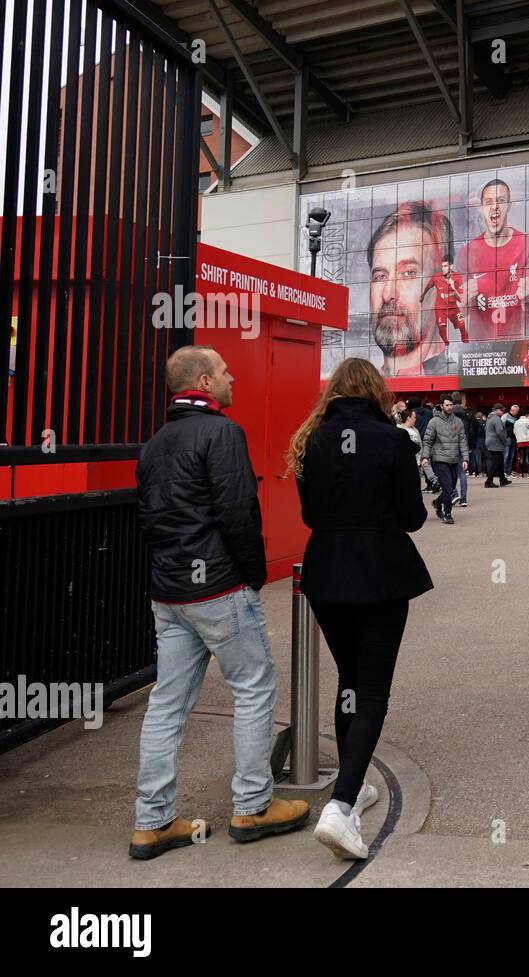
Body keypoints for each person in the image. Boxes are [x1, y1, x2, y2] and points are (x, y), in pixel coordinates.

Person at [131, 346, 307, 860]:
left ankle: (152, 821)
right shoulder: (222, 433)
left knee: (166, 704)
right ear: (204, 382)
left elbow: (149, 517)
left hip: (169, 592)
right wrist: (252, 576)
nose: (234, 380)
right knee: (253, 687)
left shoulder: (155, 444)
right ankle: (252, 806)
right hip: (218, 587)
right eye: (226, 372)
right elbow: (238, 511)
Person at [289, 357, 433, 859]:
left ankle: (356, 789)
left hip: (326, 572)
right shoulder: (393, 440)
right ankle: (340, 804)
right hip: (381, 572)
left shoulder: (311, 439)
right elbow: (414, 518)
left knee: (350, 681)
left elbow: (310, 514)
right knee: (372, 690)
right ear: (376, 391)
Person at [367, 201, 454, 376]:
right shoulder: (360, 389)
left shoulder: (457, 376)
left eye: (408, 273)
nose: (388, 294)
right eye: (380, 276)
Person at [456, 178, 529, 339]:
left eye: (500, 201)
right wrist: (462, 301)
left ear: (509, 206)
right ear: (481, 208)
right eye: (488, 202)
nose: (494, 207)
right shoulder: (467, 253)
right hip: (481, 350)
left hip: (517, 347)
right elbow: (460, 313)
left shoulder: (527, 244)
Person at [421, 395, 470, 525]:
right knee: (448, 488)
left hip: (454, 460)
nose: (449, 407)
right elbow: (427, 441)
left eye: (451, 405)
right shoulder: (434, 422)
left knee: (451, 486)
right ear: (441, 406)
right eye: (447, 405)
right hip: (440, 459)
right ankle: (447, 513)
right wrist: (425, 457)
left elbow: (463, 441)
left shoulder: (458, 421)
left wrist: (465, 458)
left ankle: (438, 502)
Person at [426, 257, 468, 346]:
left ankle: (466, 342)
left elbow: (460, 298)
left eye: (445, 266)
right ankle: (446, 343)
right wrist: (422, 296)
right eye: (442, 266)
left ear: (451, 266)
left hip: (453, 308)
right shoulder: (436, 277)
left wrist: (453, 287)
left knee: (462, 326)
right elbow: (428, 286)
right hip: (440, 309)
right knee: (442, 327)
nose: (443, 268)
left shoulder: (457, 278)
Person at [450, 391, 475, 503]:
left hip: (451, 445)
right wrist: (469, 445)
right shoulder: (467, 414)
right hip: (463, 444)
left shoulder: (449, 414)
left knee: (449, 472)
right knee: (462, 472)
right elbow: (471, 431)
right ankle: (464, 498)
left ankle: (454, 494)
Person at [483, 403, 510, 487]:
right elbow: (500, 432)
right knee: (495, 463)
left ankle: (503, 480)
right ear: (496, 410)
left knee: (500, 461)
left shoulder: (489, 418)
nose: (503, 412)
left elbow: (486, 430)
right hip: (496, 443)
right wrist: (504, 441)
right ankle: (488, 482)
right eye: (501, 410)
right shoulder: (496, 419)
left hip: (491, 442)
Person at [514, 408, 529, 478]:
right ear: (526, 414)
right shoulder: (528, 421)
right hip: (528, 440)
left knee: (521, 456)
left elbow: (514, 432)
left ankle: (521, 473)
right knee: (527, 456)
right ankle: (527, 473)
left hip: (520, 441)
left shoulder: (516, 422)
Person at [503, 404, 521, 477]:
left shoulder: (515, 417)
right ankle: (503, 471)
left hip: (513, 439)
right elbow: (501, 426)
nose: (517, 412)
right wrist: (504, 436)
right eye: (517, 411)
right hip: (507, 438)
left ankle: (508, 472)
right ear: (513, 410)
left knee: (511, 456)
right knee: (506, 456)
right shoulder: (505, 416)